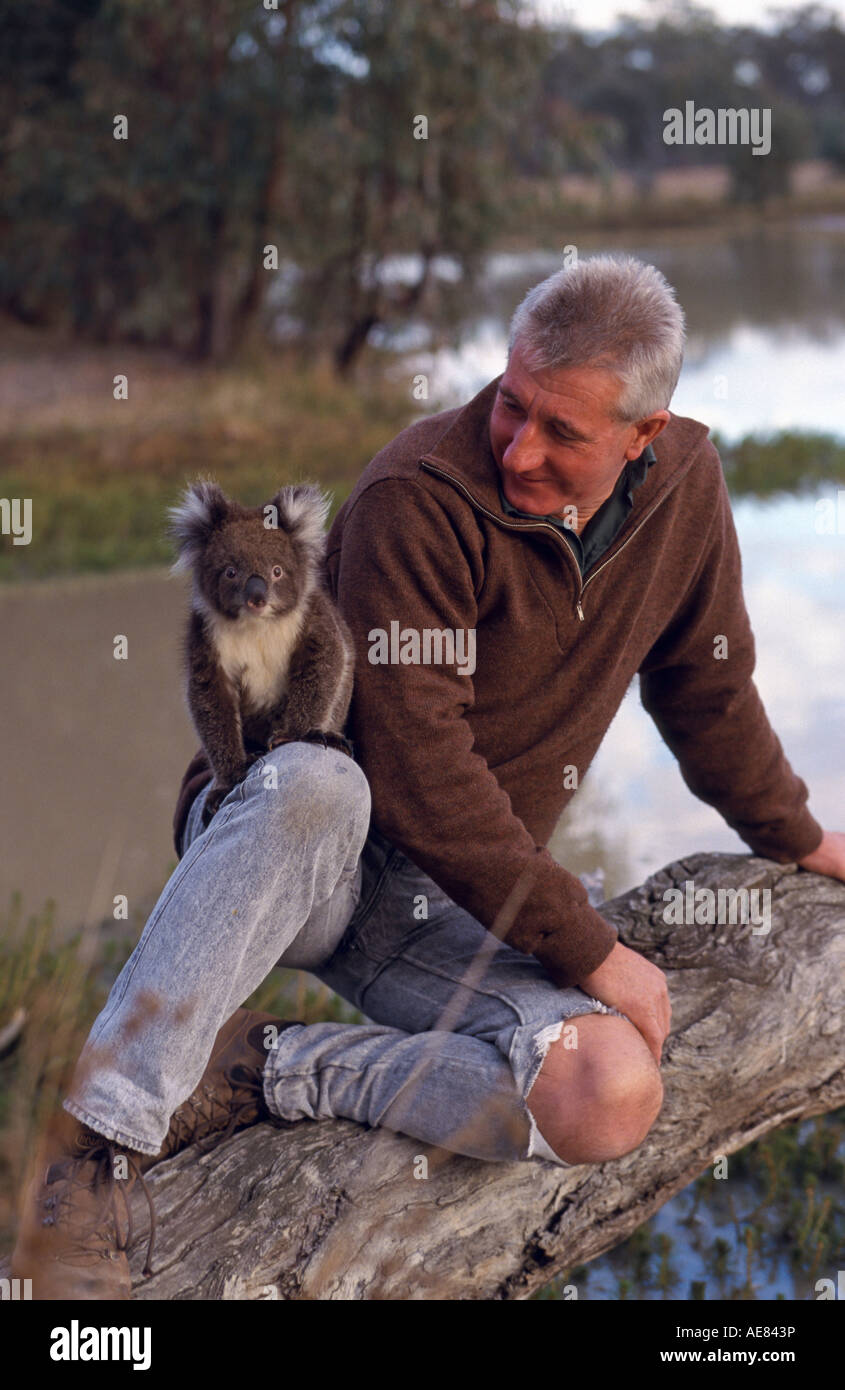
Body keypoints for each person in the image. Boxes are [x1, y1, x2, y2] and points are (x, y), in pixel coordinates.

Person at [13, 254, 843, 1300]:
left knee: (608, 1091)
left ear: (645, 437)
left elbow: (703, 690)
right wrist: (589, 945)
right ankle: (99, 1140)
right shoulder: (419, 494)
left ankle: (262, 1066)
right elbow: (415, 767)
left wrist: (796, 836)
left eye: (560, 431)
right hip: (298, 846)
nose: (517, 446)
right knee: (325, 783)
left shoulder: (686, 487)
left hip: (442, 898)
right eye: (510, 404)